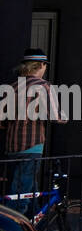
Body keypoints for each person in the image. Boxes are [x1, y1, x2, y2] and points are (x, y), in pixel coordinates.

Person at [1, 51, 66, 215]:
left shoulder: (12, 87)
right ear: (41, 66)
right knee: (21, 194)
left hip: (11, 147)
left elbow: (1, 122)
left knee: (30, 190)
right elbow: (56, 116)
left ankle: (39, 230)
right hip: (31, 147)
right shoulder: (43, 87)